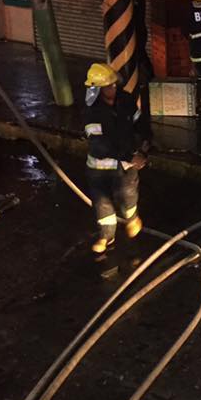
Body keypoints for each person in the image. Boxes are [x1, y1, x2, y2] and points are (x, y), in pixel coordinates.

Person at [83, 62, 148, 255]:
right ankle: (106, 235)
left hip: (127, 164)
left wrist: (145, 143)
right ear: (98, 89)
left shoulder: (125, 100)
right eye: (108, 86)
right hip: (100, 170)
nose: (113, 87)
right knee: (103, 204)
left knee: (127, 195)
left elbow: (140, 122)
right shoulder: (91, 111)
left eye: (113, 84)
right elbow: (99, 146)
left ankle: (132, 218)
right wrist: (130, 156)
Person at [132, 0, 154, 144]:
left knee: (139, 54)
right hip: (136, 34)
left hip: (136, 34)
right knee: (140, 55)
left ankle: (148, 75)